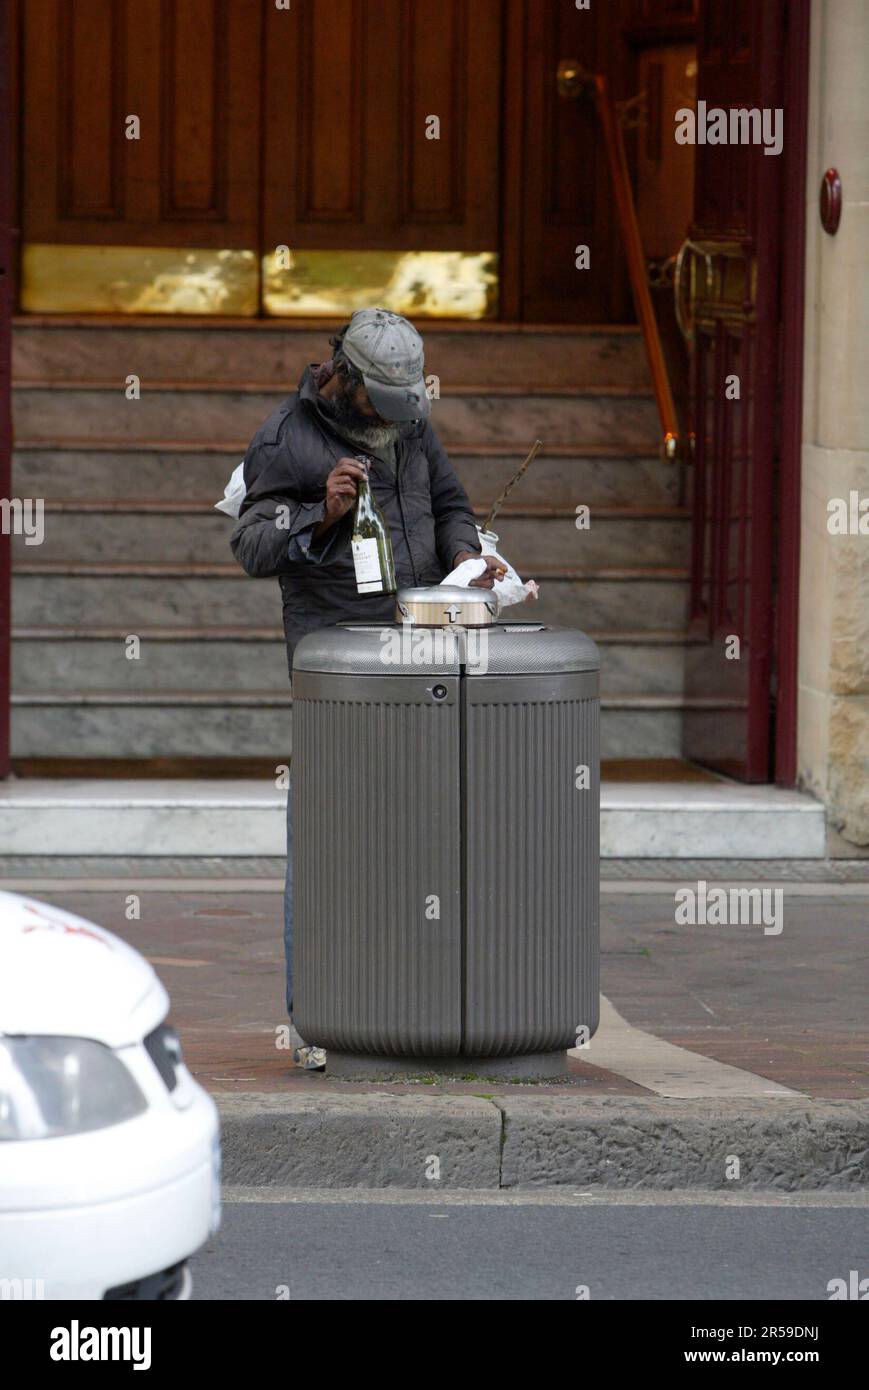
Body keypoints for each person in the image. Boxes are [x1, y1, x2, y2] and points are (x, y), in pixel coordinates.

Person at [230, 308, 504, 1067]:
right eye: (379, 404)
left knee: (425, 833)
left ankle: (415, 1006)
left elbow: (450, 503)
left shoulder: (411, 423)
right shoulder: (288, 438)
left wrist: (468, 558)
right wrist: (324, 511)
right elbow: (251, 544)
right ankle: (314, 1017)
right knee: (331, 842)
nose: (392, 419)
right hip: (343, 670)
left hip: (427, 654)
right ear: (343, 377)